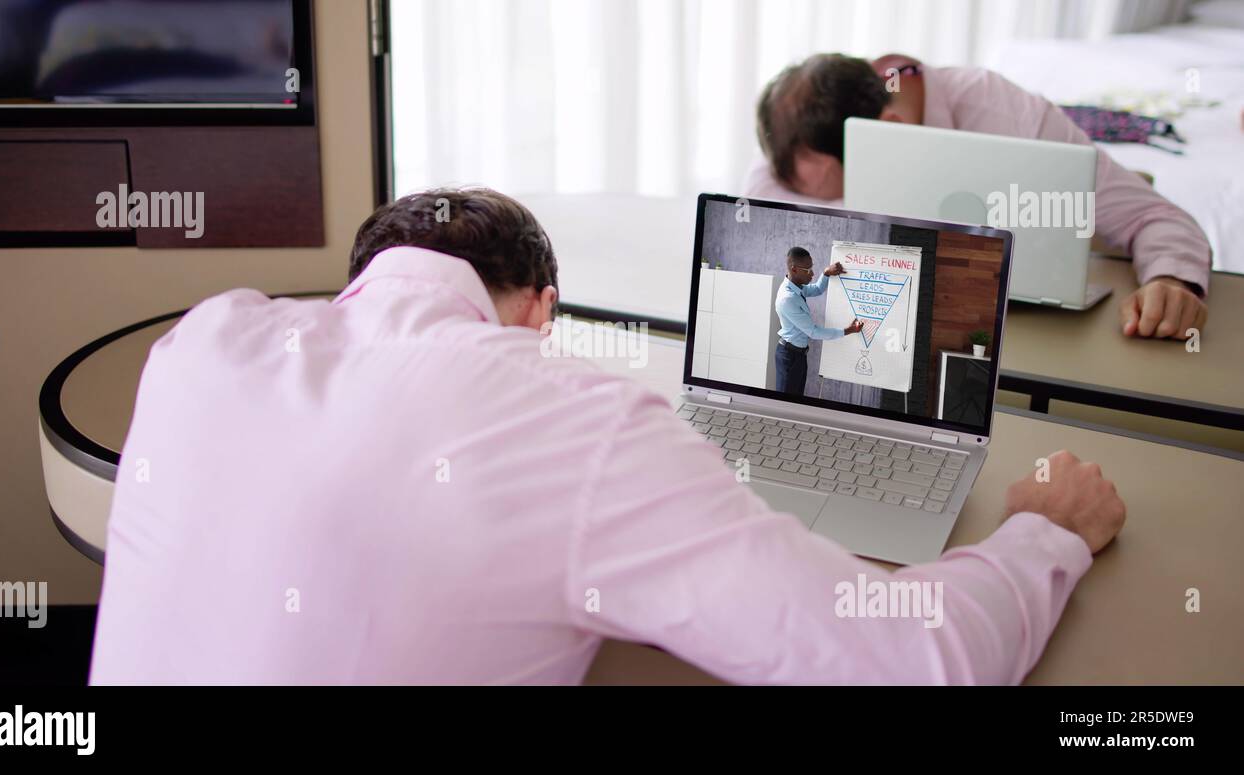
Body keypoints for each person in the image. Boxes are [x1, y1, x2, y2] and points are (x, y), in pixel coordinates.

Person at [90, 187, 1125, 685]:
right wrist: (1046, 533)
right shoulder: (573, 421)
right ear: (542, 313)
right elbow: (908, 664)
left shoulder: (197, 346)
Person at [749, 53, 1210, 340]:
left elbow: (1154, 217)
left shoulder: (1005, 112)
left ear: (887, 132)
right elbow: (764, 219)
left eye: (829, 189)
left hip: (1033, 345)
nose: (818, 199)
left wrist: (1173, 282)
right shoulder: (807, 136)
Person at [774, 246, 862, 395]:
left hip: (799, 355)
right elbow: (813, 332)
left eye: (812, 268)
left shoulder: (796, 286)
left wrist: (826, 273)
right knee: (785, 406)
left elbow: (817, 289)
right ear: (794, 269)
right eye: (808, 270)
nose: (812, 273)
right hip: (789, 357)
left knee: (797, 401)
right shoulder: (787, 298)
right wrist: (848, 330)